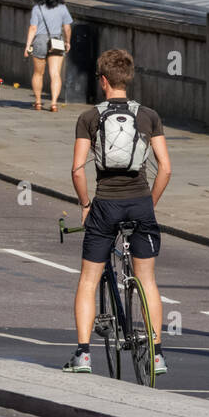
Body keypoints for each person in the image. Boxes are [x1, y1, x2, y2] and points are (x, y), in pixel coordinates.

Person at [65, 48, 172, 377]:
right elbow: (165, 168)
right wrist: (149, 203)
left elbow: (77, 170)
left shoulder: (89, 117)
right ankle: (155, 354)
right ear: (128, 79)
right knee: (148, 280)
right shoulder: (149, 116)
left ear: (103, 81)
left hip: (105, 205)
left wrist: (85, 205)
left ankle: (83, 354)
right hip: (140, 202)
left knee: (87, 280)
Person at [25, 0, 73, 112]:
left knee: (38, 73)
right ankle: (53, 104)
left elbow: (33, 28)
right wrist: (68, 42)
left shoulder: (37, 8)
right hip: (56, 41)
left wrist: (28, 45)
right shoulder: (62, 8)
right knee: (55, 74)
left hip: (40, 41)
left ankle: (38, 102)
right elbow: (67, 27)